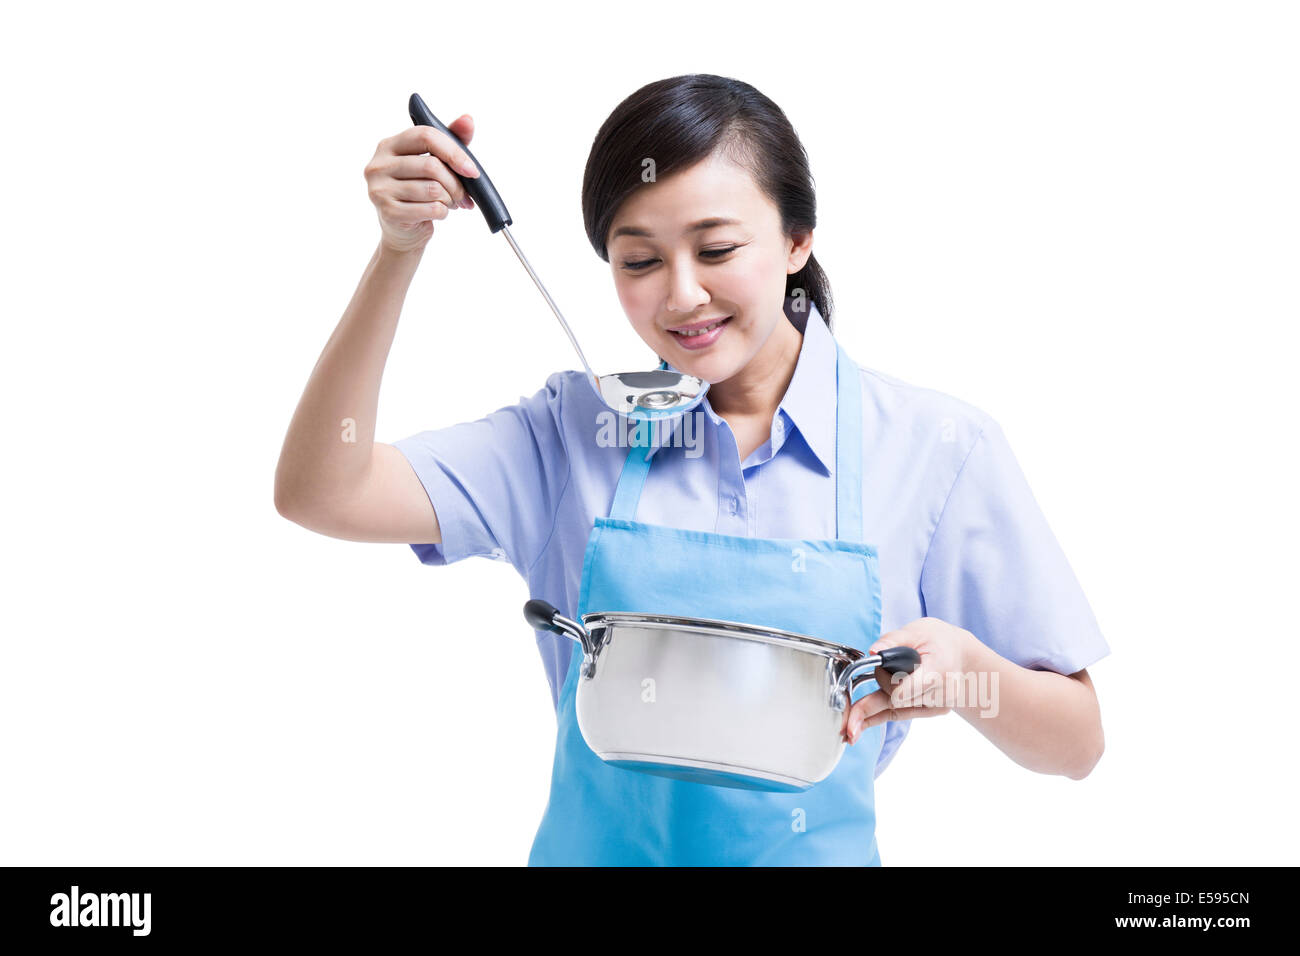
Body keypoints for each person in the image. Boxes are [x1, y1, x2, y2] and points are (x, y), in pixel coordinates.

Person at [274, 74, 1109, 866]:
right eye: (638, 262)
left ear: (796, 239)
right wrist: (397, 253)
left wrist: (972, 677)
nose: (680, 297)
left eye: (716, 249)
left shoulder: (933, 447)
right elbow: (324, 490)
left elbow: (1078, 744)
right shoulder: (574, 431)